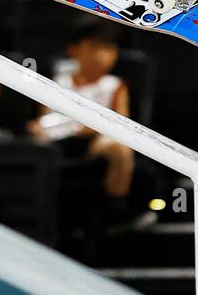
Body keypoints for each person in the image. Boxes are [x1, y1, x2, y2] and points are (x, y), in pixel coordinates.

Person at [27, 20, 133, 200]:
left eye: (108, 48)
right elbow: (43, 118)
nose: (101, 55)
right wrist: (37, 127)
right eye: (93, 47)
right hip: (58, 141)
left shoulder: (114, 86)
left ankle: (115, 206)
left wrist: (93, 129)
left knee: (120, 148)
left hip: (92, 141)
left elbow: (123, 124)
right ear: (73, 50)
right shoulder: (58, 81)